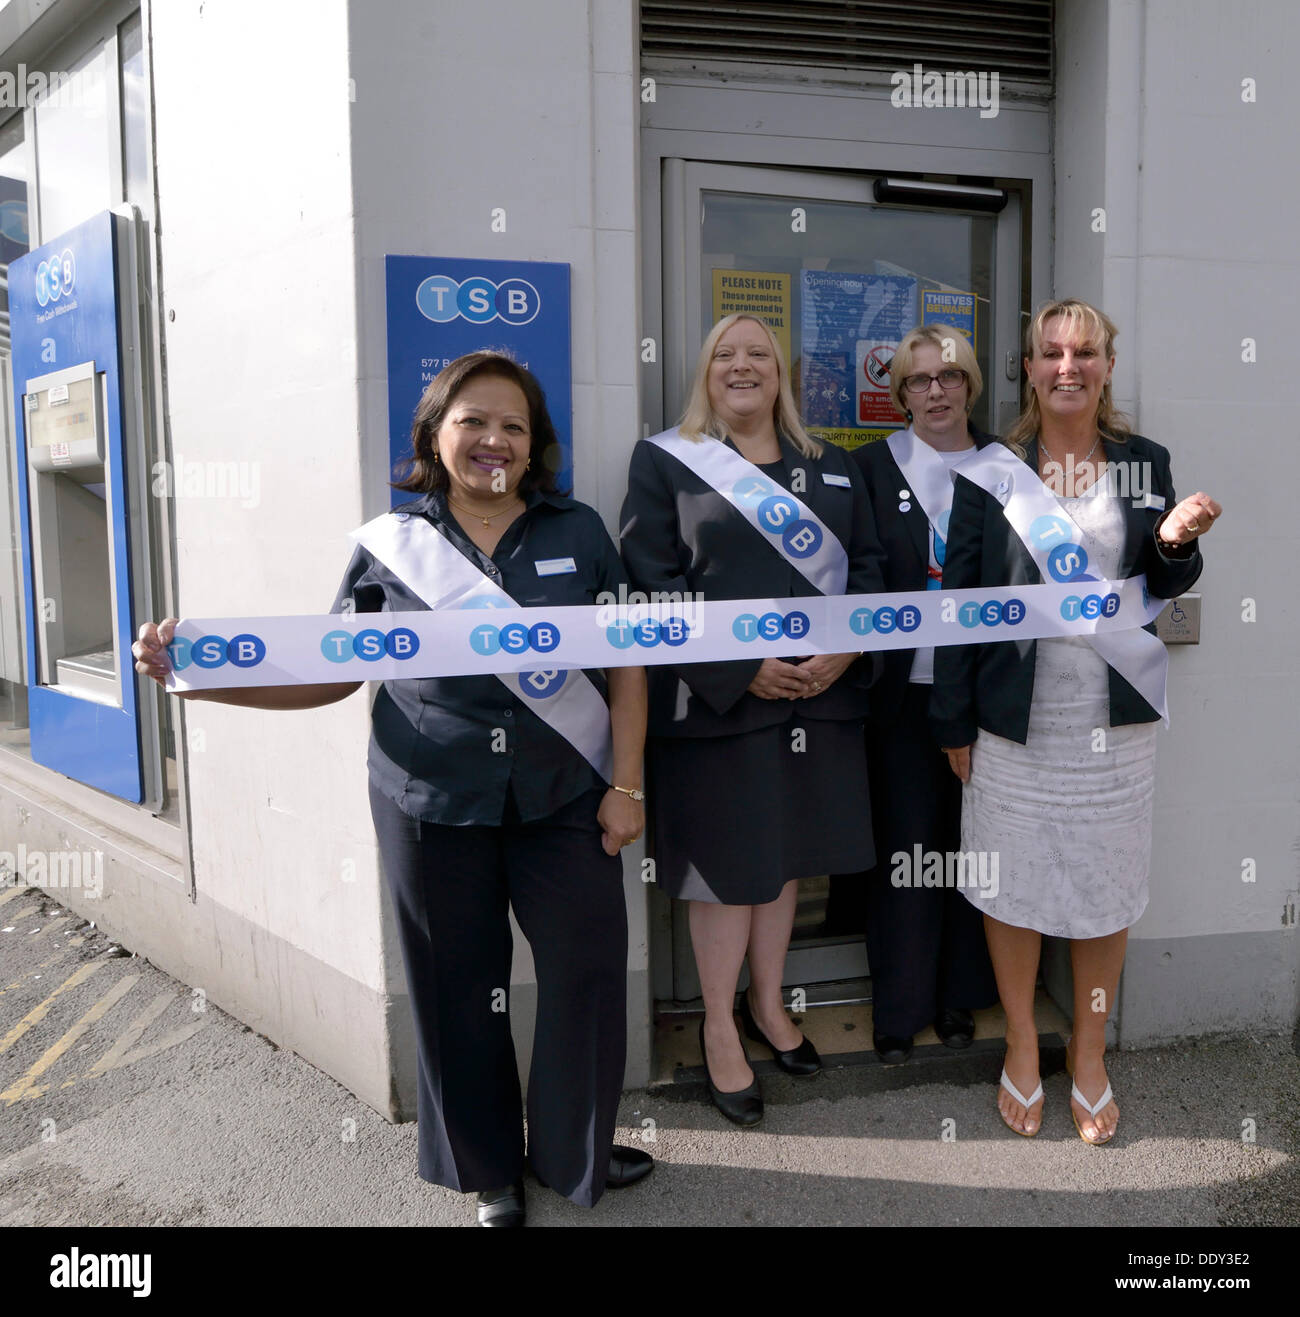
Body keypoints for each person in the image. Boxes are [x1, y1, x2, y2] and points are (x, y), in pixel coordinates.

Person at [133, 351, 652, 1225]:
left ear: (535, 447)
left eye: (514, 426)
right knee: (456, 982)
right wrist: (196, 674)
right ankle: (488, 1167)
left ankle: (576, 1149)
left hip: (567, 794)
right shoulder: (391, 545)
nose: (494, 439)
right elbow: (331, 671)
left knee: (589, 971)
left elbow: (629, 661)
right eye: (473, 421)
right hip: (427, 796)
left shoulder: (580, 532)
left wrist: (628, 784)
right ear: (435, 435)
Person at [930, 300, 1220, 1143]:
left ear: (1106, 366)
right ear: (1029, 367)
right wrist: (953, 719)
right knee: (1013, 886)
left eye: (1084, 352)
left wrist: (1173, 541)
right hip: (1014, 723)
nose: (1068, 366)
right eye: (1051, 352)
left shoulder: (1145, 460)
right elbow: (964, 604)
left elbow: (1165, 583)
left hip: (1114, 727)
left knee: (1105, 888)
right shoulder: (992, 469)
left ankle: (1087, 1049)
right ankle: (1022, 1042)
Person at [619, 313, 887, 1125]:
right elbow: (649, 584)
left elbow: (872, 570)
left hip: (820, 700)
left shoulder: (832, 466)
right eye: (725, 356)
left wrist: (848, 647)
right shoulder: (666, 462)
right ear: (705, 374)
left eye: (759, 355)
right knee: (730, 873)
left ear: (781, 374)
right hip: (718, 709)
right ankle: (719, 1026)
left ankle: (772, 1005)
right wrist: (737, 667)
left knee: (787, 861)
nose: (742, 367)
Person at [827, 324, 1000, 1064]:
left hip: (984, 698)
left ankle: (960, 997)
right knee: (906, 851)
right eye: (920, 379)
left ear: (970, 385)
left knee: (972, 853)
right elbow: (853, 576)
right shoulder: (869, 469)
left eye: (950, 376)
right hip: (898, 701)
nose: (936, 390)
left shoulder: (1007, 468)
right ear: (898, 393)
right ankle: (898, 1007)